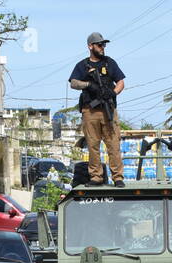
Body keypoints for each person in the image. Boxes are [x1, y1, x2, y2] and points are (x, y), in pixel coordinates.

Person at [68, 32, 125, 187]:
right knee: (93, 145)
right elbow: (73, 83)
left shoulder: (109, 63)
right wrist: (88, 85)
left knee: (113, 144)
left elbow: (120, 82)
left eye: (103, 45)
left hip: (108, 109)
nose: (102, 47)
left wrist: (113, 92)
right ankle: (96, 177)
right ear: (90, 46)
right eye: (99, 44)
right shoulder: (83, 65)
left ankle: (117, 177)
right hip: (90, 110)